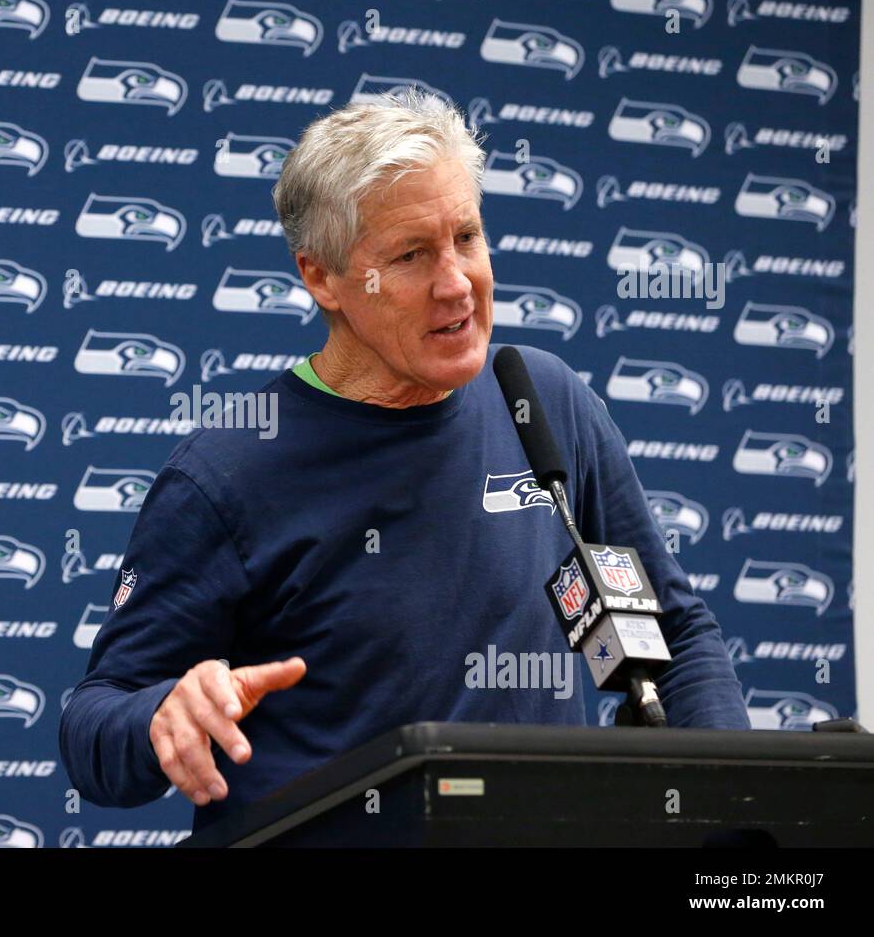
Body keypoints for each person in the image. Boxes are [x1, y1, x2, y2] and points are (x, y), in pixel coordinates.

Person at [59, 90, 750, 833]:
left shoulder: (543, 404)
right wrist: (163, 714)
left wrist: (738, 817)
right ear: (321, 277)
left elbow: (673, 637)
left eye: (467, 237)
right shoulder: (227, 473)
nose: (457, 283)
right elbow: (94, 726)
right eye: (412, 254)